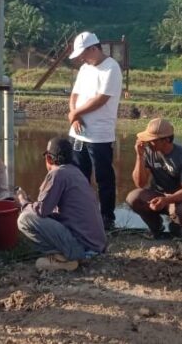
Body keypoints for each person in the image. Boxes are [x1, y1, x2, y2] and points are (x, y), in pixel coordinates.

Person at [17, 137, 107, 271]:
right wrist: (32, 204)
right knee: (34, 214)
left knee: (24, 219)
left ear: (48, 158)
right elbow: (54, 210)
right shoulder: (76, 172)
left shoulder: (57, 174)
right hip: (97, 245)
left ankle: (64, 257)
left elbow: (42, 211)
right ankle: (69, 255)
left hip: (82, 248)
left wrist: (23, 202)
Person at [67, 32, 122, 229]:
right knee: (79, 176)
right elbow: (75, 94)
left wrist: (75, 113)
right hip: (78, 133)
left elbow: (101, 99)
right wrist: (74, 114)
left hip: (99, 134)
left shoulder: (111, 68)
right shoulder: (84, 68)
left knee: (103, 177)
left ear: (94, 48)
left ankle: (107, 218)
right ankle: (82, 214)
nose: (82, 58)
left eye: (84, 54)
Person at [126, 118, 182, 239]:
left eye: (152, 140)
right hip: (156, 194)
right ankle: (156, 227)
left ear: (167, 139)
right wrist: (139, 156)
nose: (148, 142)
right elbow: (140, 184)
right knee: (133, 198)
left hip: (177, 198)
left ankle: (176, 229)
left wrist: (166, 200)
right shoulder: (148, 152)